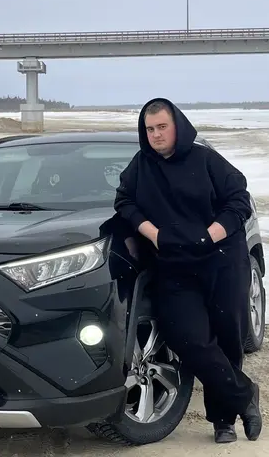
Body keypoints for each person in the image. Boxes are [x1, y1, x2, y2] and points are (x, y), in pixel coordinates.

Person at [114, 98, 262, 444]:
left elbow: (238, 200)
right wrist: (155, 234)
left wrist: (209, 235)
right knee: (188, 338)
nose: (155, 134)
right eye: (150, 129)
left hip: (221, 260)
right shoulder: (141, 166)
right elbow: (124, 203)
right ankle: (244, 394)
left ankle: (223, 421)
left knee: (227, 337)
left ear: (177, 126)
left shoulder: (206, 160)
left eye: (162, 127)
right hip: (173, 265)